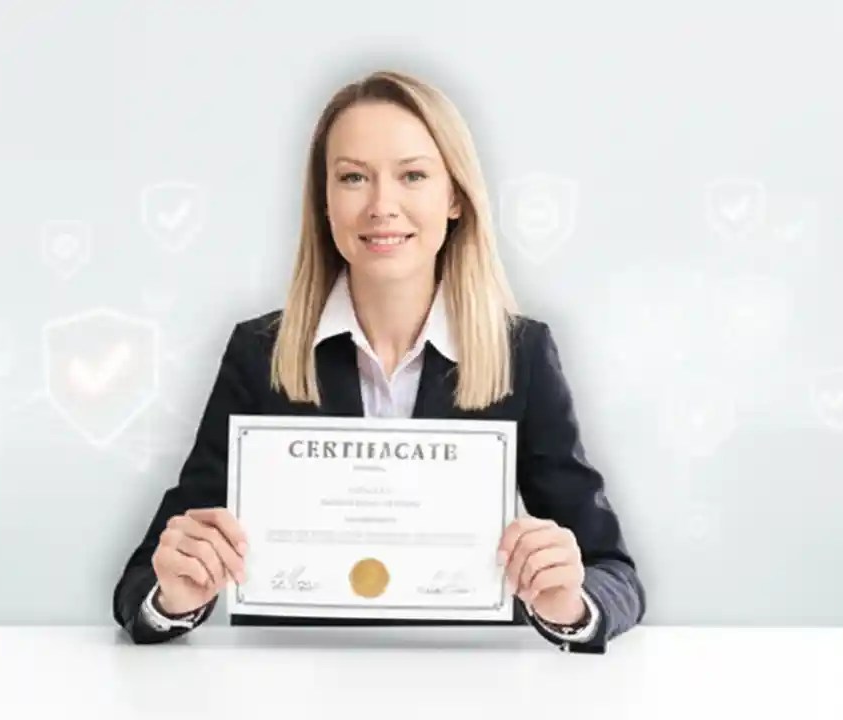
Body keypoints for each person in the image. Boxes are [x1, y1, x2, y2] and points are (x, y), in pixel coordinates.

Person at [111, 69, 646, 654]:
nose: (381, 206)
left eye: (412, 175)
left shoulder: (521, 355)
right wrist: (173, 597)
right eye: (353, 178)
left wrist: (570, 605)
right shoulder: (259, 354)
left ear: (455, 197)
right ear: (324, 201)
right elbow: (140, 588)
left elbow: (614, 575)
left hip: (467, 686)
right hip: (293, 684)